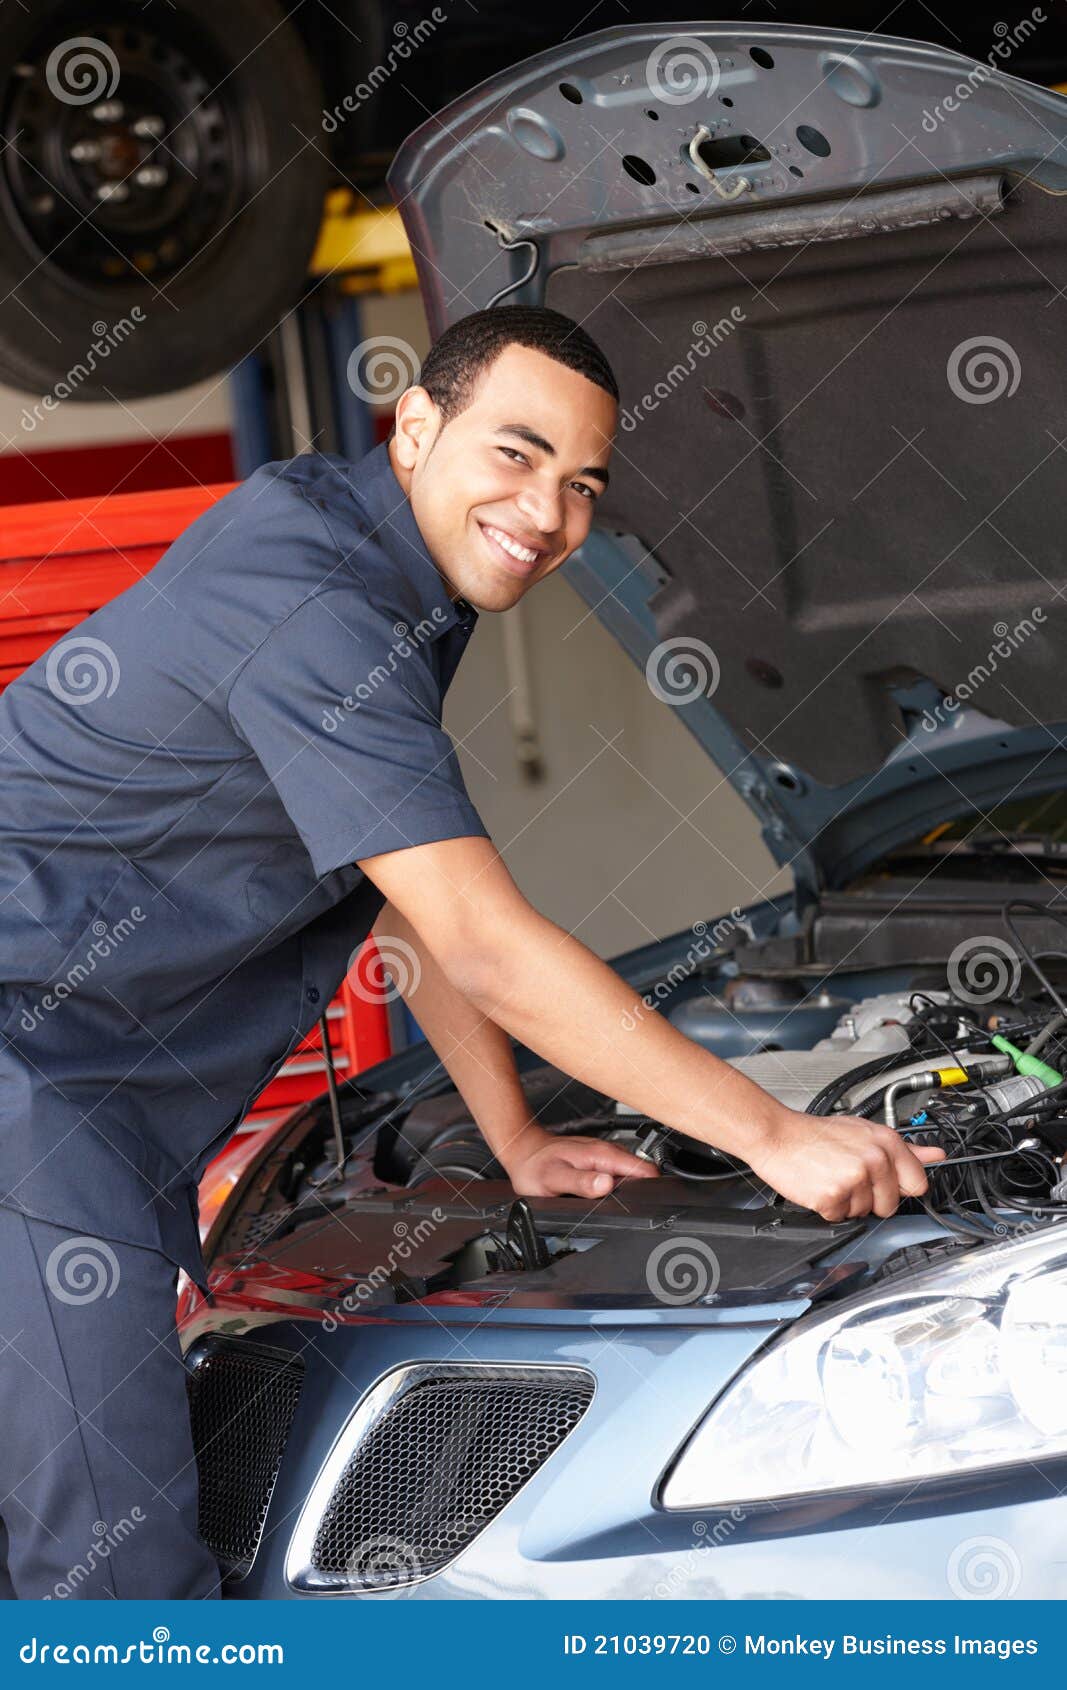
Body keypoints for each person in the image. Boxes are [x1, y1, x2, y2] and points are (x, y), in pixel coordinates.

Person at [0, 306, 944, 1598]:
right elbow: (483, 938)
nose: (548, 511)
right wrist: (773, 1136)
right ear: (417, 422)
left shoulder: (385, 575)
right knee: (117, 1598)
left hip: (70, 1106)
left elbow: (405, 892)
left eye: (582, 485)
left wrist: (510, 1135)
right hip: (29, 1100)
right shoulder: (316, 592)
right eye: (517, 452)